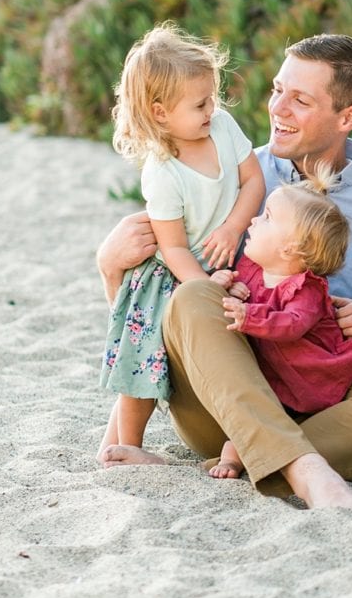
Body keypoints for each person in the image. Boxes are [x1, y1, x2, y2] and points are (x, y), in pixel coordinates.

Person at [96, 34, 352, 518]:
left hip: (322, 400)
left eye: (300, 100)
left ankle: (260, 457)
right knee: (193, 298)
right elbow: (148, 314)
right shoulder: (222, 171)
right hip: (220, 408)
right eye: (277, 90)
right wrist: (109, 266)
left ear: (347, 117)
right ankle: (304, 469)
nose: (278, 108)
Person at [98, 24, 265, 460]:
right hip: (172, 274)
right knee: (146, 359)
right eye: (199, 104)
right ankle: (126, 446)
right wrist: (207, 287)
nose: (212, 109)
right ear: (159, 112)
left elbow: (253, 181)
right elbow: (171, 248)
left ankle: (112, 446)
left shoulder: (224, 127)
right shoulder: (162, 171)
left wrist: (232, 228)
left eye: (212, 98)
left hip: (228, 253)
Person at [211, 167, 352, 480]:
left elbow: (292, 324)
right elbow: (237, 291)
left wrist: (247, 315)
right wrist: (226, 282)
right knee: (259, 420)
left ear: (289, 247)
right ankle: (235, 461)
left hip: (318, 365)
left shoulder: (307, 289)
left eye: (266, 217)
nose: (253, 220)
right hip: (279, 375)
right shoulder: (251, 265)